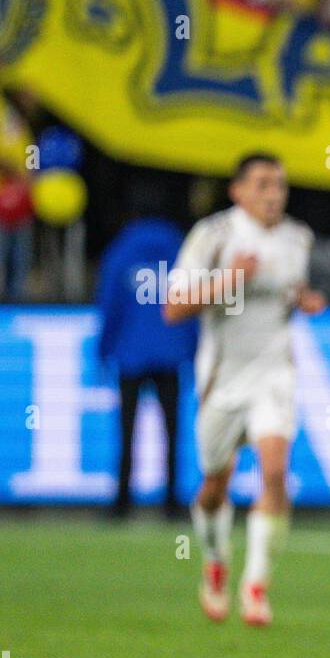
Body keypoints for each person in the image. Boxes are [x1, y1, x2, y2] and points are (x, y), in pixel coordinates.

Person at [164, 154, 328, 626]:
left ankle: (256, 587)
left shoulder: (298, 238)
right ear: (237, 191)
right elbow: (173, 308)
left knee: (274, 471)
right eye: (261, 184)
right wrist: (230, 278)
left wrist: (303, 301)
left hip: (274, 373)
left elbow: (289, 292)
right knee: (215, 485)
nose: (273, 193)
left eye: (278, 184)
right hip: (222, 379)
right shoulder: (213, 237)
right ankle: (215, 561)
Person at [96, 208, 195, 518]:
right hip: (170, 353)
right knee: (172, 431)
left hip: (130, 354)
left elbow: (110, 305)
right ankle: (171, 502)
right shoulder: (181, 253)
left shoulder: (122, 253)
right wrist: (193, 352)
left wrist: (104, 349)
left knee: (127, 431)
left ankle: (122, 501)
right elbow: (193, 307)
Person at [0, 37, 33, 300]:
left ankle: (12, 318)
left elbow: (12, 139)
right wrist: (16, 173)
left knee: (16, 269)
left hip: (14, 196)